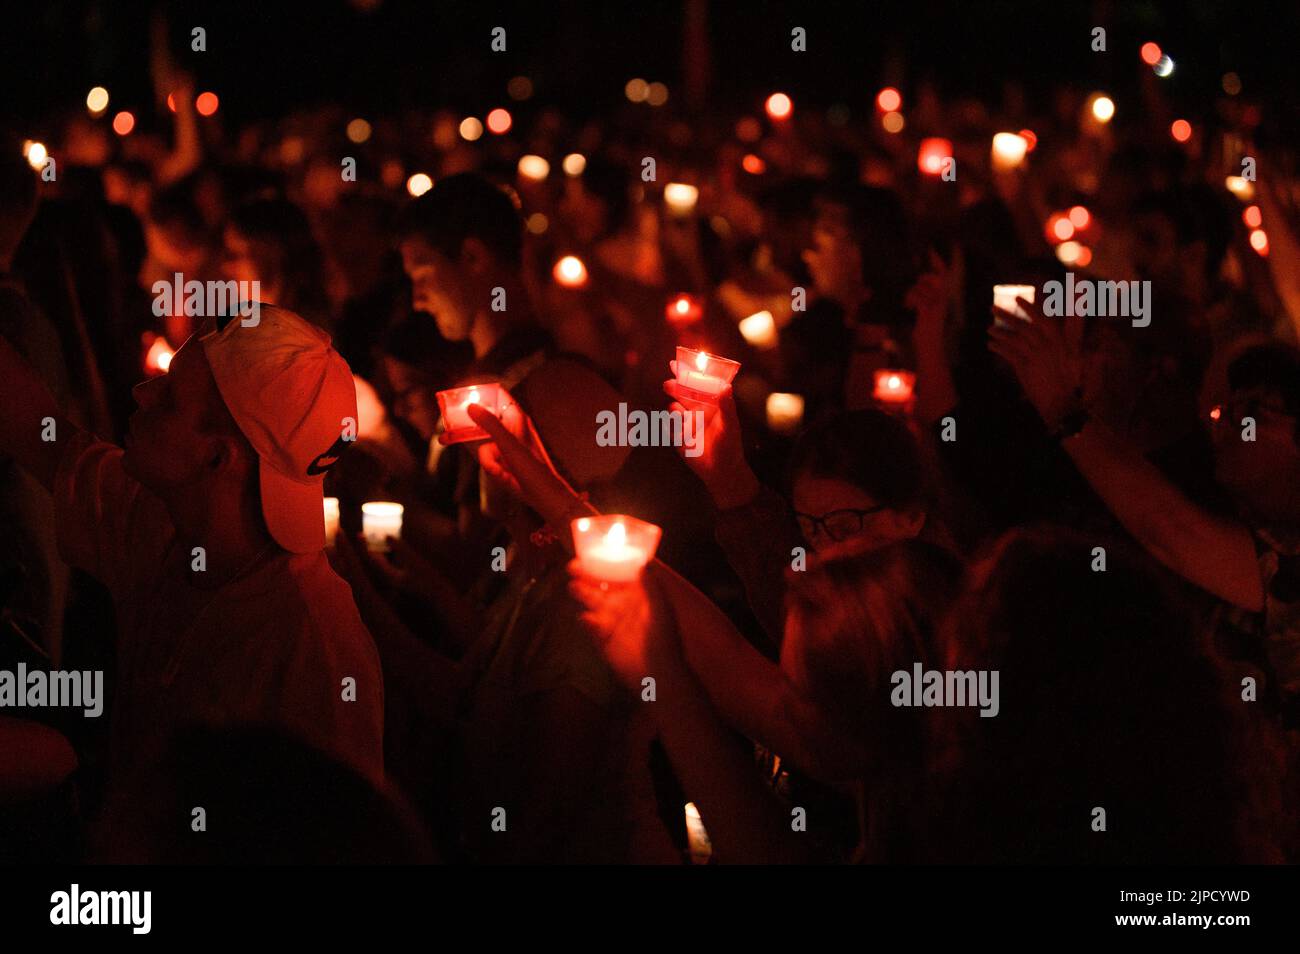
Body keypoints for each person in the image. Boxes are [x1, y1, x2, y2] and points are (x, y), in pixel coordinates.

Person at [0, 301, 385, 792]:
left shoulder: (314, 650)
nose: (141, 393)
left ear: (217, 457)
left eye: (169, 398)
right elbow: (35, 428)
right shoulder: (166, 524)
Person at [991, 297, 1300, 725]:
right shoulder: (1214, 506)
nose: (1226, 422)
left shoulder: (1285, 557)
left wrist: (1062, 407)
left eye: (1253, 414)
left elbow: (1170, 530)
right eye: (1227, 407)